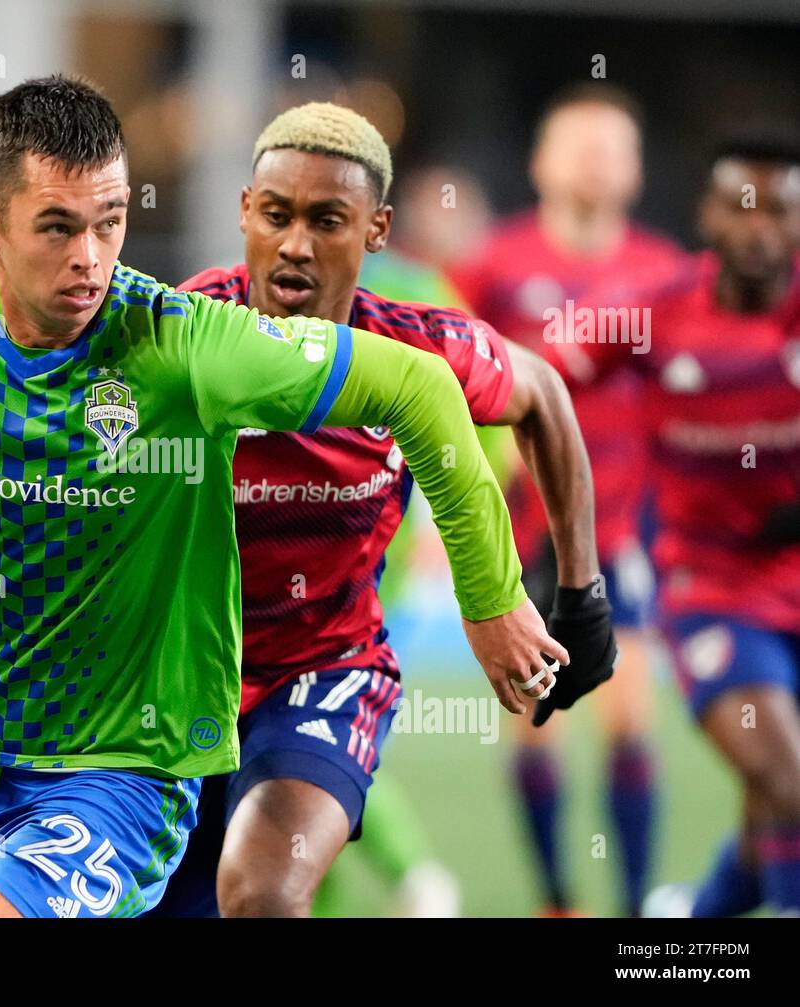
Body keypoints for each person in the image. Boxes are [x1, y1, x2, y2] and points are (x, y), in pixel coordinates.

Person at [0, 76, 567, 918]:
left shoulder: (180, 343)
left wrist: (492, 599)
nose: (92, 259)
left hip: (120, 775)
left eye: (110, 224)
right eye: (59, 227)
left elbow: (417, 387)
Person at [150, 102, 616, 918]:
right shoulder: (176, 332)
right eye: (276, 214)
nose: (295, 243)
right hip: (176, 676)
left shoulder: (419, 345)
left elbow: (543, 393)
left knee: (262, 889)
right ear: (244, 215)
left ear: (377, 229)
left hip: (325, 668)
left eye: (328, 219)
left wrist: (581, 593)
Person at [552, 133, 800, 915]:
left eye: (782, 211)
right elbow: (533, 378)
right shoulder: (654, 313)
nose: (760, 228)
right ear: (708, 215)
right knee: (788, 778)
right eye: (741, 207)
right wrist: (561, 503)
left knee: (775, 800)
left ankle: (685, 934)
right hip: (711, 589)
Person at [452, 83, 684, 916]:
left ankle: (636, 909)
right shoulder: (493, 266)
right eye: (578, 144)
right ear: (540, 162)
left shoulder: (664, 273)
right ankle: (557, 899)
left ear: (635, 168)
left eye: (612, 146)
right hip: (520, 531)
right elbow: (441, 377)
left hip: (626, 524)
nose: (595, 159)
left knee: (631, 717)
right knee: (535, 719)